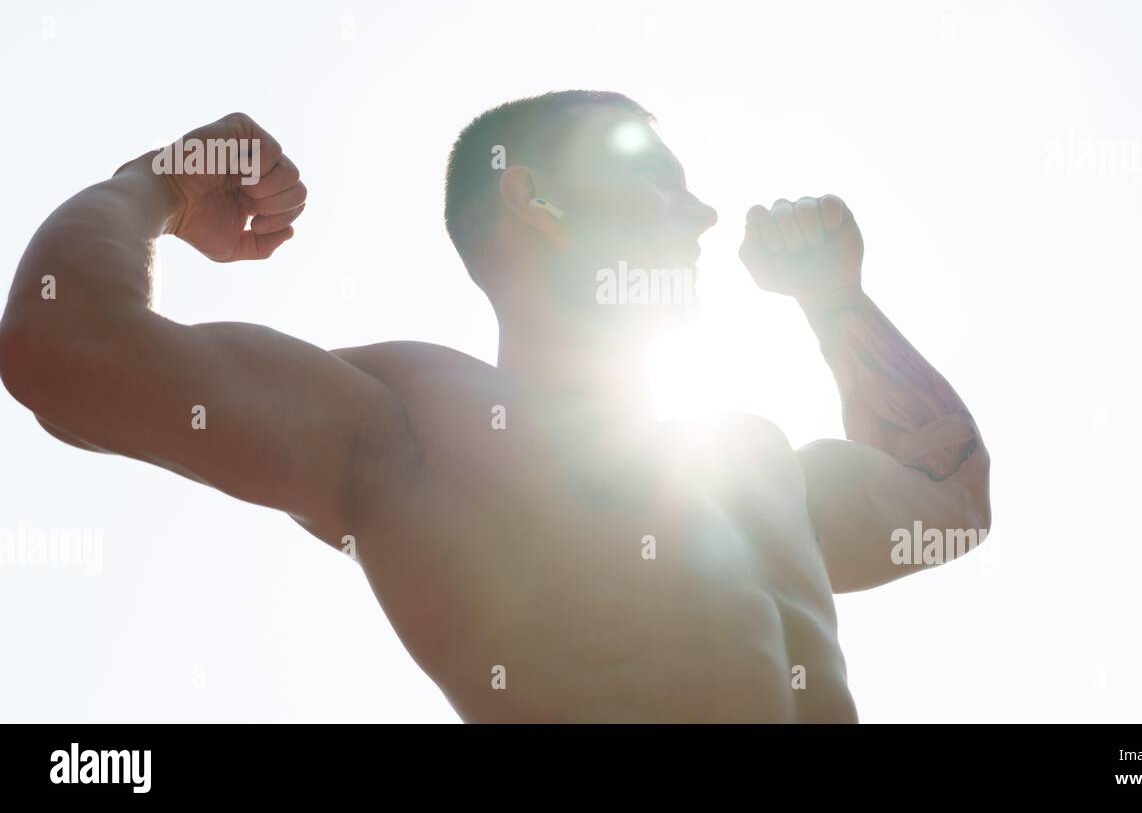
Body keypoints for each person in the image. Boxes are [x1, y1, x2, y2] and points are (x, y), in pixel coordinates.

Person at [0, 92, 991, 722]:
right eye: (658, 183)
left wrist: (833, 299)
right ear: (535, 202)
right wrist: (159, 183)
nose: (700, 215)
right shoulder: (423, 423)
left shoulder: (750, 458)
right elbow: (68, 350)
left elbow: (950, 493)